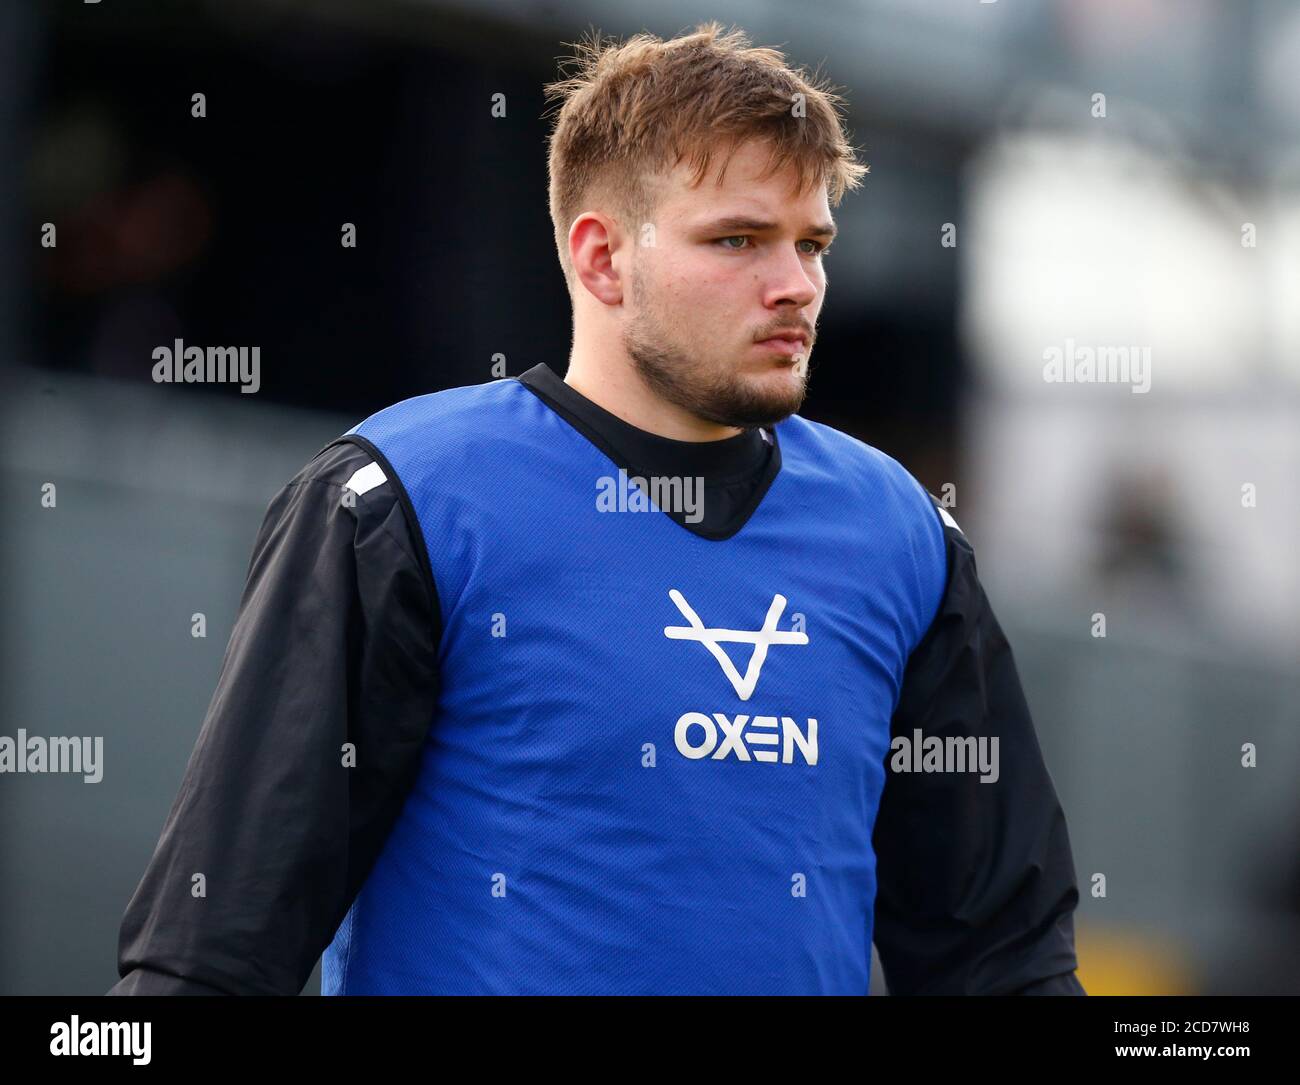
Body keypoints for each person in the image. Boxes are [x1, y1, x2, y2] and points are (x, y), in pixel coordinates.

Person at [109, 22, 1084, 996]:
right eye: (738, 240)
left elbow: (1004, 963)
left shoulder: (900, 537)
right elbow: (209, 958)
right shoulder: (406, 500)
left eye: (812, 244)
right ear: (603, 258)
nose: (796, 286)